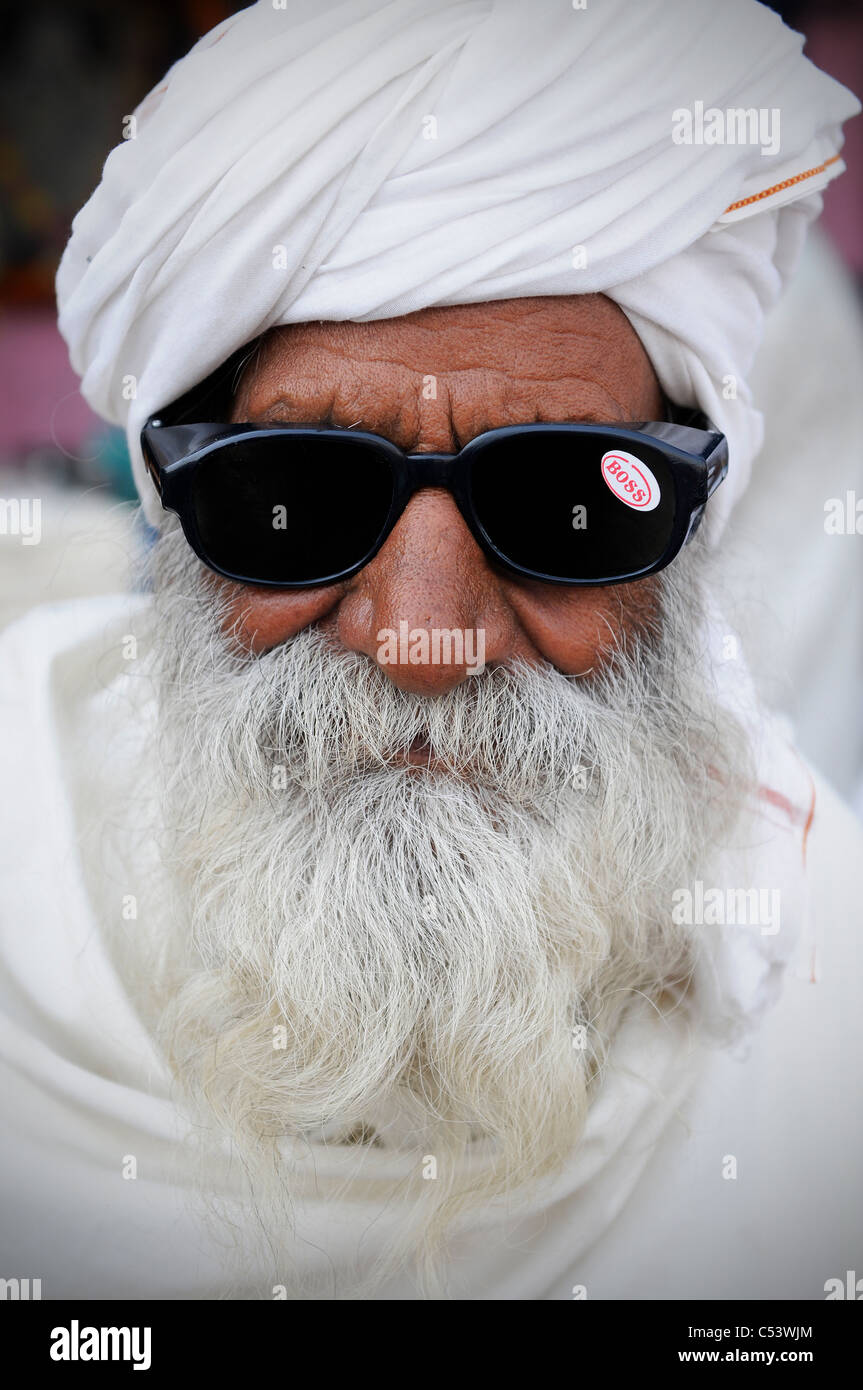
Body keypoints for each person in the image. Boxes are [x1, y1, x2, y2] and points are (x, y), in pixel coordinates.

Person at [1, 0, 860, 1300]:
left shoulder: (820, 995)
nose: (422, 636)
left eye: (564, 508)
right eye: (297, 498)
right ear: (180, 519)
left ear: (687, 544)